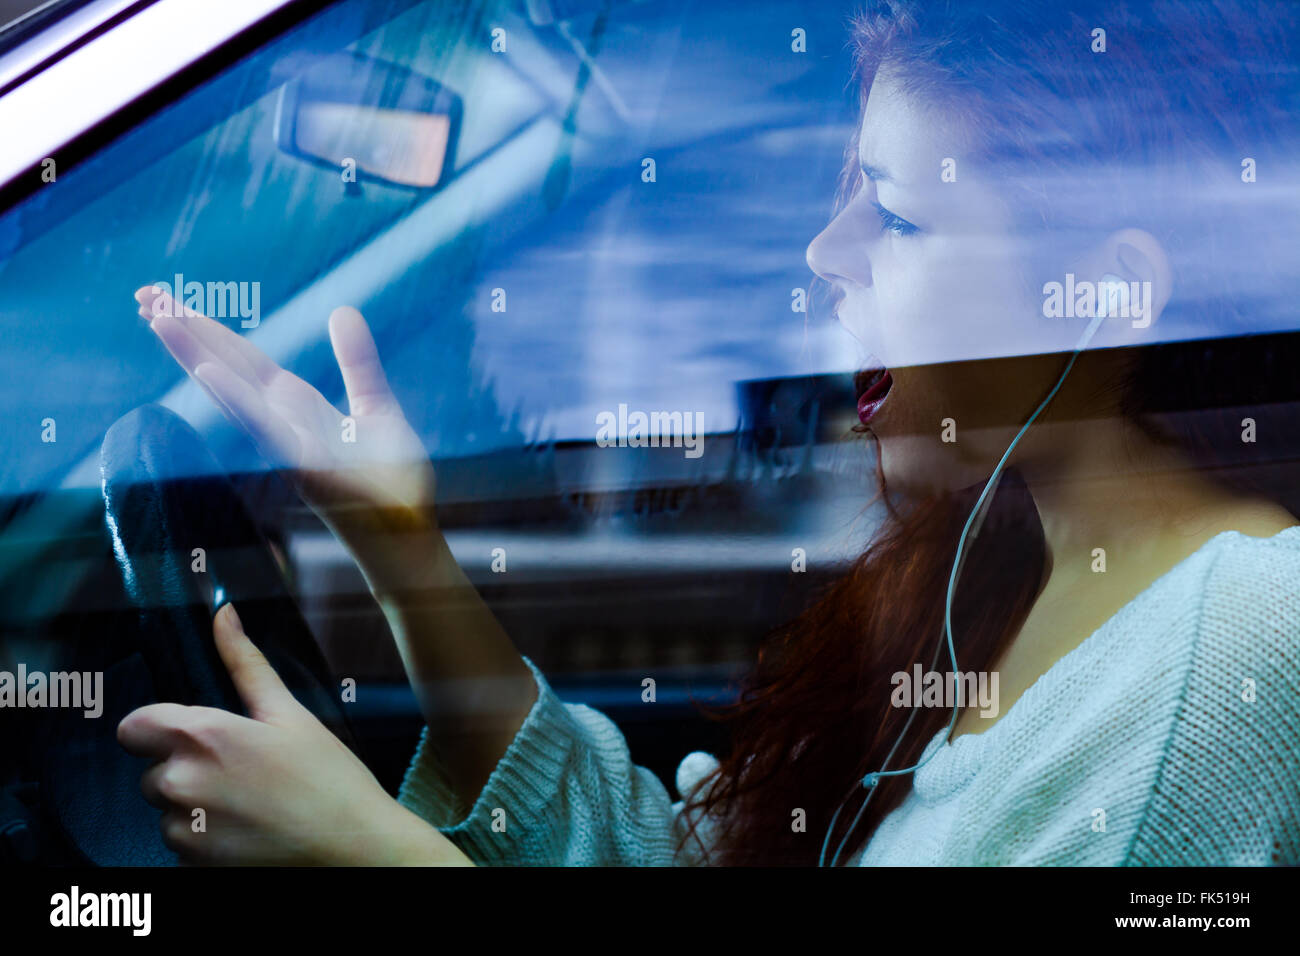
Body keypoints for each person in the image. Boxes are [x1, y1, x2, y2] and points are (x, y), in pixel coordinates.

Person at [118, 0, 1300, 865]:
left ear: (1105, 293)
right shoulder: (999, 560)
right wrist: (402, 552)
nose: (825, 255)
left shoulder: (1247, 647)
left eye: (893, 213)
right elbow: (699, 859)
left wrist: (363, 852)